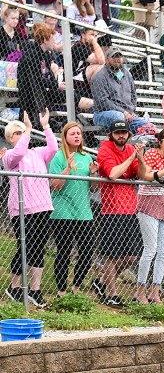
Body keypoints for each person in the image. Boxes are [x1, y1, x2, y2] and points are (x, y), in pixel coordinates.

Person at [2, 114, 57, 307]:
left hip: (42, 206)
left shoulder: (37, 152)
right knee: (25, 245)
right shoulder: (9, 156)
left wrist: (46, 126)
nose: (22, 134)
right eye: (17, 133)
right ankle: (14, 287)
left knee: (38, 247)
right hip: (22, 209)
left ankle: (35, 290)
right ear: (10, 138)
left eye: (23, 132)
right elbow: (18, 153)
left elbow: (53, 148)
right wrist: (27, 128)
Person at [48, 121, 98, 296]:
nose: (77, 136)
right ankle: (61, 291)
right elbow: (55, 185)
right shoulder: (59, 157)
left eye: (78, 133)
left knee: (87, 251)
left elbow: (94, 189)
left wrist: (93, 174)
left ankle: (76, 288)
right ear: (65, 137)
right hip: (63, 210)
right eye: (72, 134)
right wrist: (68, 168)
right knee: (65, 250)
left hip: (83, 211)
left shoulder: (87, 157)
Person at [94, 120, 141, 304]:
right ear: (111, 135)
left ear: (128, 134)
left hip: (130, 208)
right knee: (112, 255)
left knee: (132, 256)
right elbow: (113, 173)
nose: (121, 135)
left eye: (124, 132)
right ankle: (112, 294)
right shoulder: (105, 149)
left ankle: (101, 281)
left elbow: (141, 173)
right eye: (117, 133)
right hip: (112, 210)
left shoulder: (131, 149)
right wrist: (131, 158)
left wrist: (141, 158)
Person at [134, 129, 164, 304]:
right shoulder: (152, 153)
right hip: (149, 204)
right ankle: (140, 290)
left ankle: (155, 291)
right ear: (159, 141)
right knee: (150, 249)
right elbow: (147, 175)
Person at [90, 48, 152, 133]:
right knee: (119, 117)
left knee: (148, 126)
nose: (117, 59)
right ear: (106, 59)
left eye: (119, 56)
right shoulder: (100, 77)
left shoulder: (127, 74)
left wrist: (131, 111)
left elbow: (133, 95)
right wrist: (123, 112)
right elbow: (103, 101)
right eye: (114, 57)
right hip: (103, 114)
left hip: (127, 114)